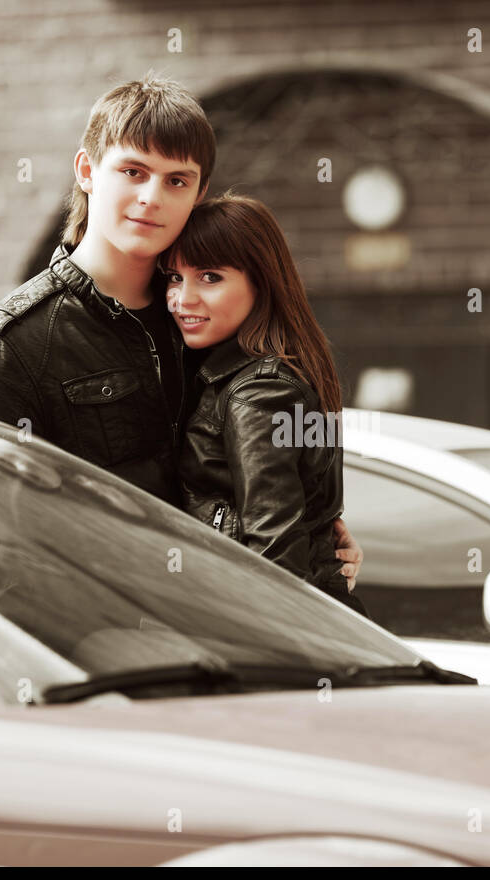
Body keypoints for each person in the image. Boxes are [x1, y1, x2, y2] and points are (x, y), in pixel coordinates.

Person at [0, 73, 362, 589]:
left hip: (211, 624)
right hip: (91, 634)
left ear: (199, 191)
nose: (152, 197)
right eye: (133, 171)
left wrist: (317, 538)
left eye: (176, 181)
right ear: (87, 170)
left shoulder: (201, 322)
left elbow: (259, 483)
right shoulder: (14, 344)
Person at [163, 193, 366, 614]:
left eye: (210, 277)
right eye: (174, 278)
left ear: (262, 282)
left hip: (263, 631)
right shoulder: (278, 371)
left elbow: (276, 557)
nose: (184, 299)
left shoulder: (260, 393)